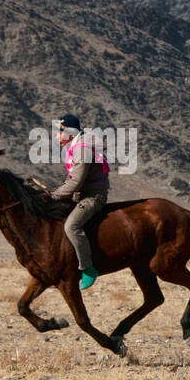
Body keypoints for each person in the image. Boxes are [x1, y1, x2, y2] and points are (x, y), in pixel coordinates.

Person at [49, 113, 111, 290]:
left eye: (58, 132)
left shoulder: (82, 148)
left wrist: (53, 195)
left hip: (92, 197)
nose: (56, 136)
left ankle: (87, 268)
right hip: (80, 194)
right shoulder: (76, 145)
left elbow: (76, 182)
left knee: (71, 226)